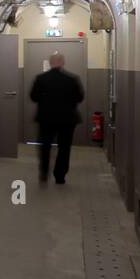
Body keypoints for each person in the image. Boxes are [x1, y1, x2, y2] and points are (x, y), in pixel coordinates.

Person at [29, 51, 84, 185]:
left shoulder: (40, 78)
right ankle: (60, 176)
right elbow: (80, 98)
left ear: (50, 63)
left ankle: (43, 173)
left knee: (45, 146)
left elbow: (33, 97)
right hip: (67, 120)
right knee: (64, 148)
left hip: (46, 119)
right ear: (63, 63)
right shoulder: (72, 79)